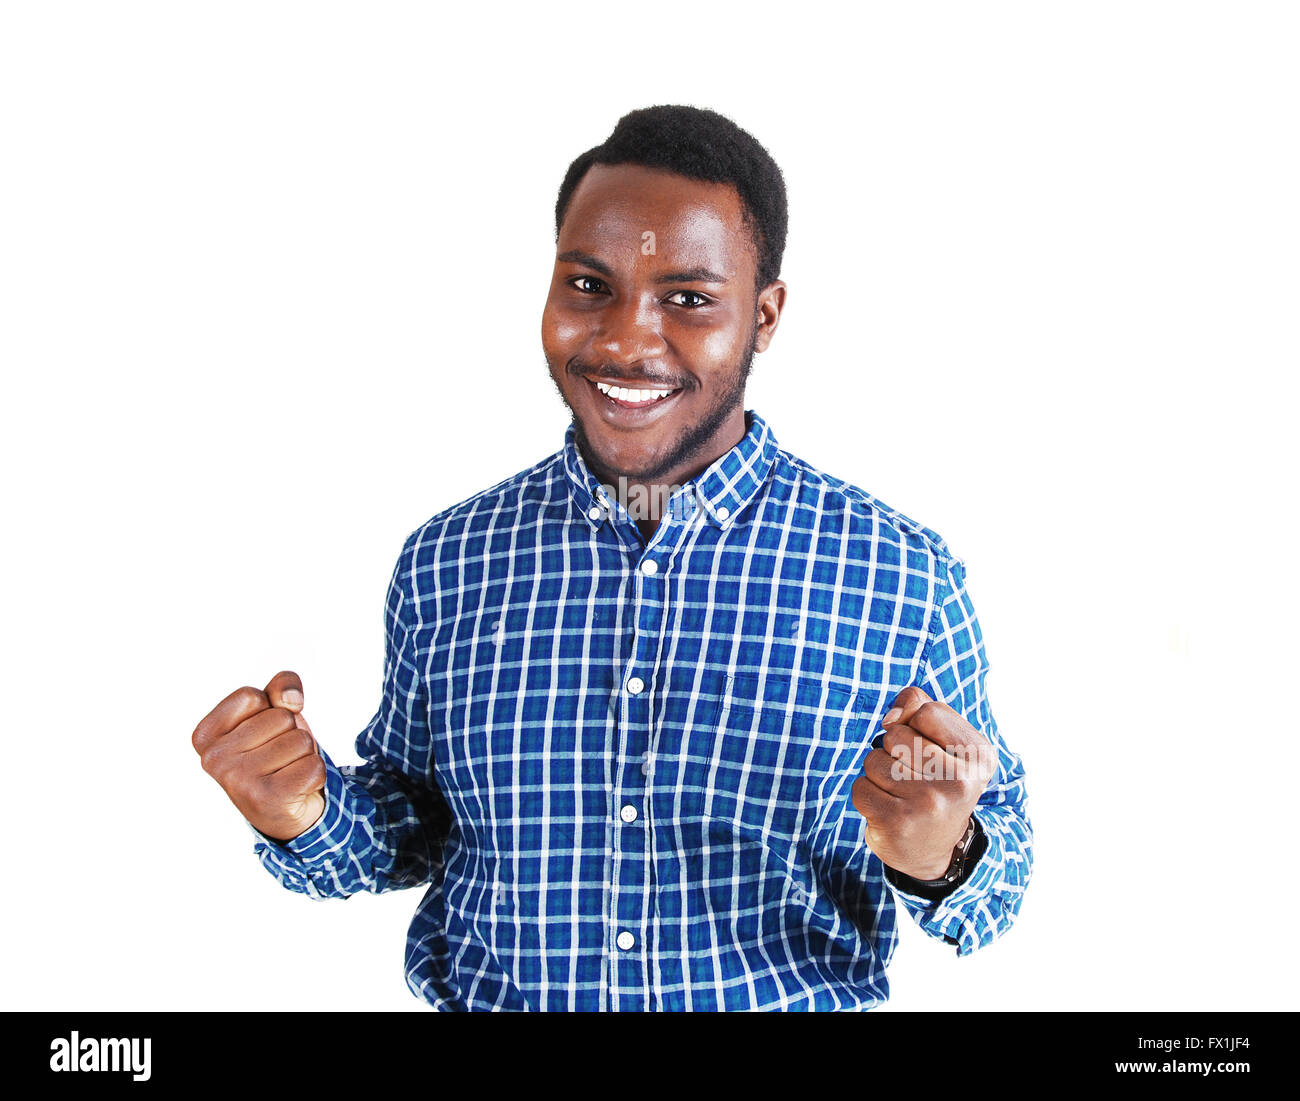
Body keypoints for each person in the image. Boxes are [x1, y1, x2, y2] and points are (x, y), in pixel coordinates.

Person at [191, 104, 1033, 1011]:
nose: (628, 339)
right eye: (589, 285)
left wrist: (942, 855)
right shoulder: (447, 563)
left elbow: (1002, 872)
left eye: (689, 298)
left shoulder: (899, 576)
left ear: (765, 315)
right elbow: (420, 823)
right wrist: (301, 810)